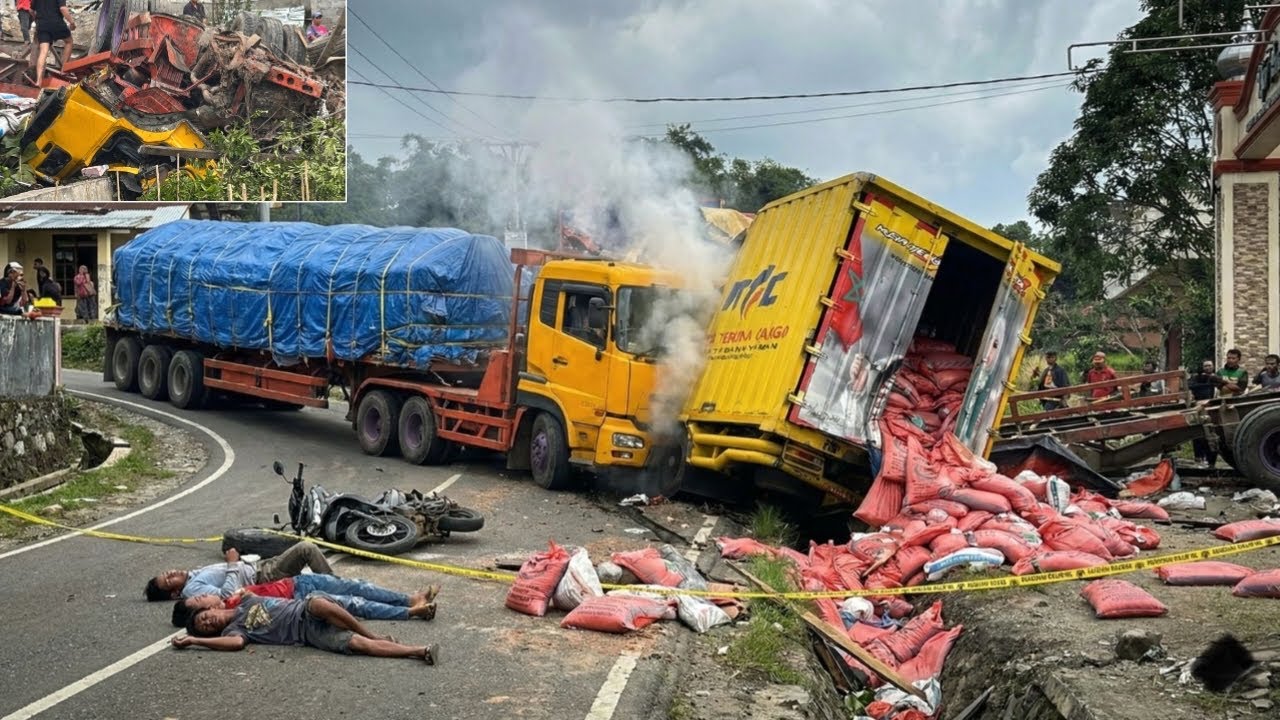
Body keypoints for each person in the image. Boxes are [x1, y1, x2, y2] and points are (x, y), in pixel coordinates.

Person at [175, 593, 440, 664]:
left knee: (318, 603)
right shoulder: (234, 632)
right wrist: (194, 640)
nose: (208, 622)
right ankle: (419, 651)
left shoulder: (245, 600)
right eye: (205, 628)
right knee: (356, 646)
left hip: (305, 609)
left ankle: (372, 633)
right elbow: (236, 645)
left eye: (205, 617)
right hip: (307, 634)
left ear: (211, 608)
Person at [172, 576, 441, 627]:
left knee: (358, 586)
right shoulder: (232, 612)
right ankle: (409, 611)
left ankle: (409, 598)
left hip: (298, 582)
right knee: (356, 604)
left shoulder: (227, 595)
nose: (206, 600)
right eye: (200, 604)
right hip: (300, 599)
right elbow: (266, 611)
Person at [144, 543, 333, 601]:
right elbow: (226, 595)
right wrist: (232, 564)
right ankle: (335, 589)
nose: (171, 573)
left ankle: (335, 591)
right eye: (169, 580)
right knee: (306, 549)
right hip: (261, 576)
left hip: (259, 565)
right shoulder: (192, 590)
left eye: (167, 572)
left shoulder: (193, 576)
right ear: (175, 593)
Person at [31, 0, 75, 87]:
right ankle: (63, 70)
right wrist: (72, 23)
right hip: (56, 23)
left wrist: (37, 19)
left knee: (43, 51)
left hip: (42, 25)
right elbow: (63, 8)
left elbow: (31, 10)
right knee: (69, 42)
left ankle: (38, 81)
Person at [1188, 360, 1221, 467]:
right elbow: (1191, 388)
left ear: (1213, 367)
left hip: (1213, 409)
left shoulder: (1216, 378)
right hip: (1198, 408)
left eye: (1209, 365)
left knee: (1212, 436)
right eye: (1205, 366)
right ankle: (1199, 458)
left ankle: (1211, 462)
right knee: (1198, 435)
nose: (1207, 368)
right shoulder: (1197, 378)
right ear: (1202, 367)